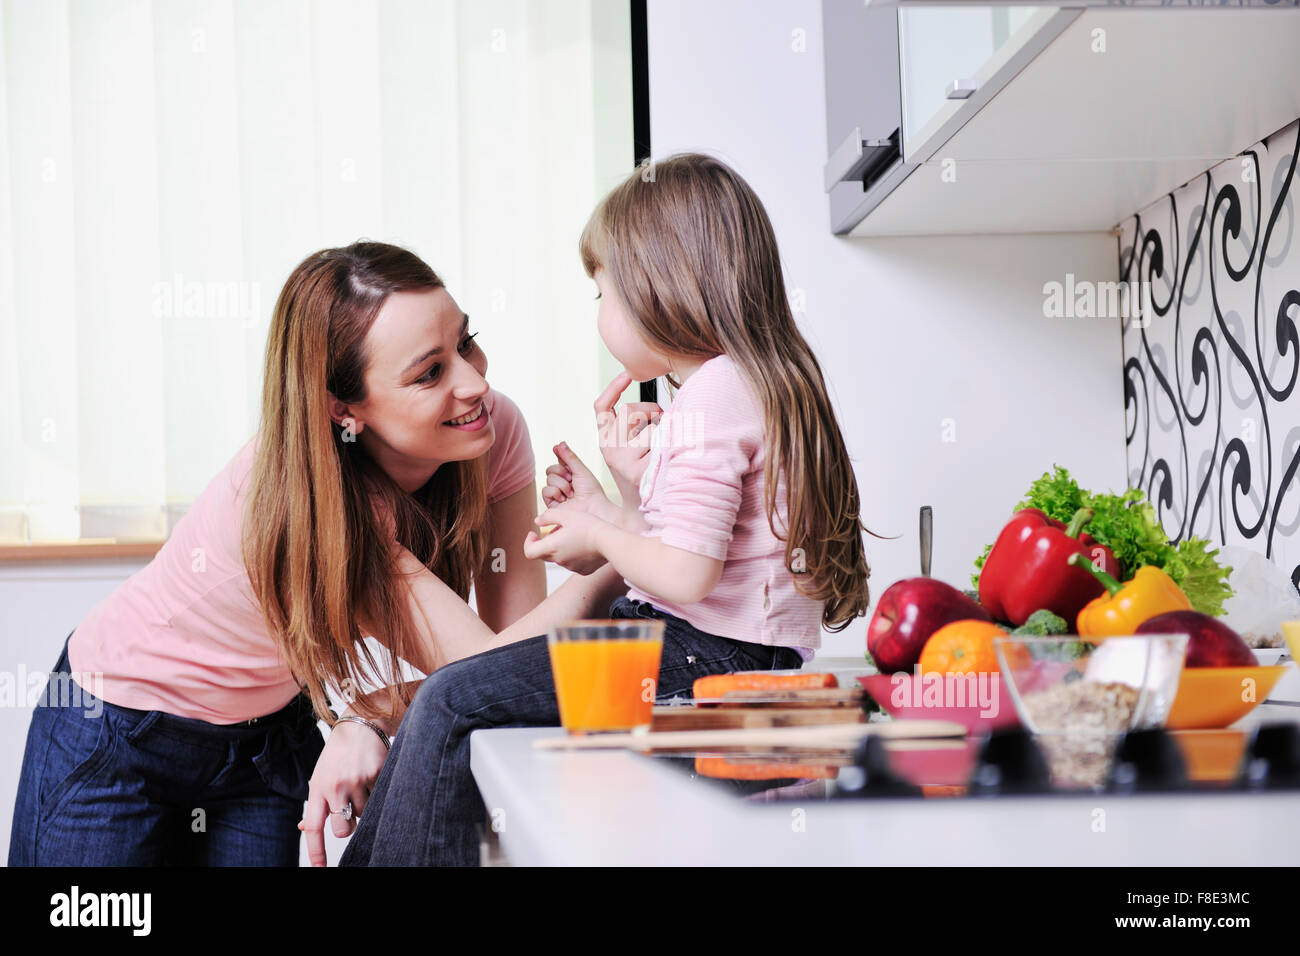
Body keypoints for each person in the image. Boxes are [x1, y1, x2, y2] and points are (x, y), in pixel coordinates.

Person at [338, 152, 878, 867]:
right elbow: (700, 557)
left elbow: (685, 579)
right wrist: (615, 505)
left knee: (447, 702)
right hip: (723, 651)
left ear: (662, 288)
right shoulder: (760, 379)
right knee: (450, 703)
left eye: (603, 295)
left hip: (702, 659)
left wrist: (596, 529)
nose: (600, 315)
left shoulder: (716, 393)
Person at [7, 240, 617, 865]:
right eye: (430, 372)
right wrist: (627, 546)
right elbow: (485, 668)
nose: (476, 381)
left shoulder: (491, 430)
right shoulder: (312, 503)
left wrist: (367, 717)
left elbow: (502, 668)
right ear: (341, 408)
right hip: (120, 728)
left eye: (467, 342)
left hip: (268, 739)